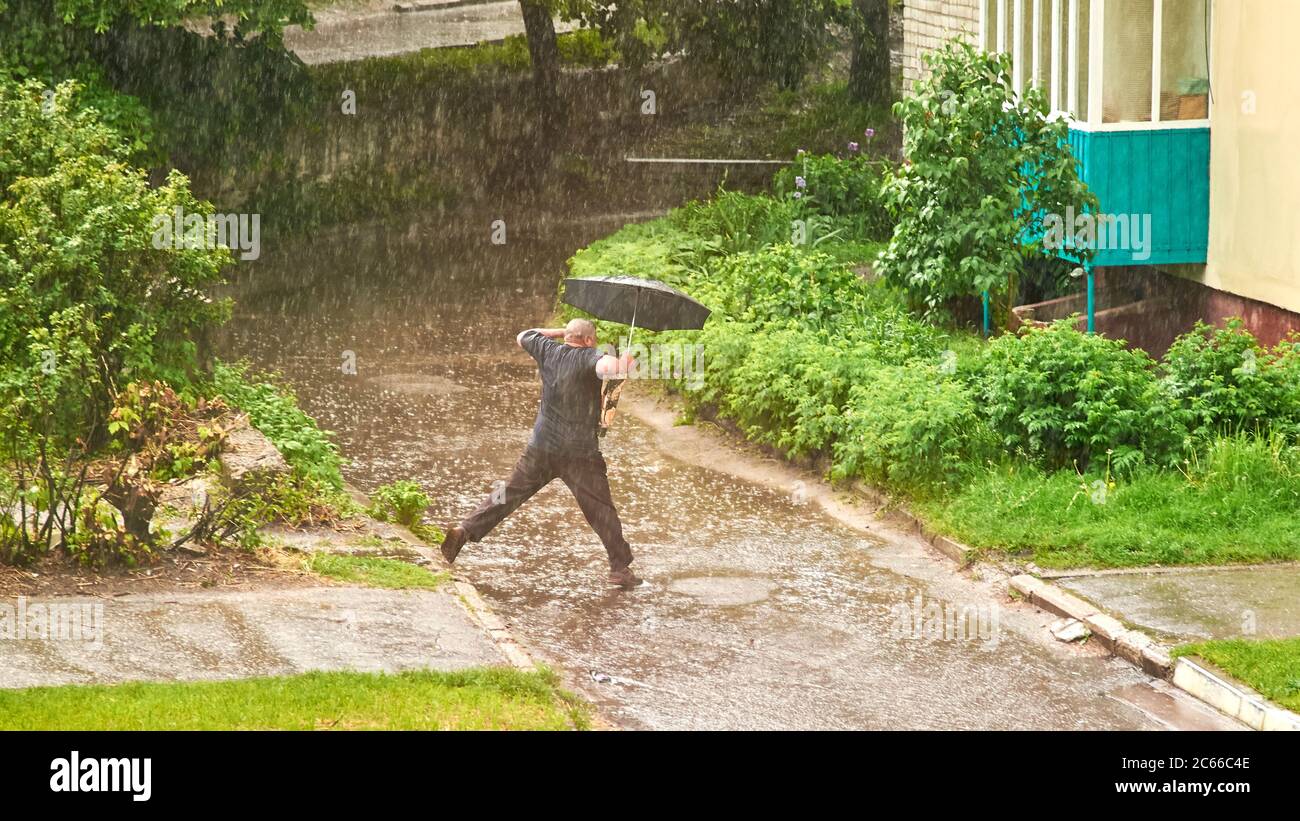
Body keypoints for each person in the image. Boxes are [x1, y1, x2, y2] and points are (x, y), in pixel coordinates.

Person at [440, 318, 642, 587]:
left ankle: (464, 530)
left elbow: (523, 333)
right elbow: (610, 367)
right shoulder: (590, 357)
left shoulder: (547, 349)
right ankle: (620, 568)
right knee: (600, 509)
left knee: (508, 491)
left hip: (541, 446)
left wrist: (561, 331)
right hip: (579, 453)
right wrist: (625, 361)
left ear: (568, 337)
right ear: (590, 341)